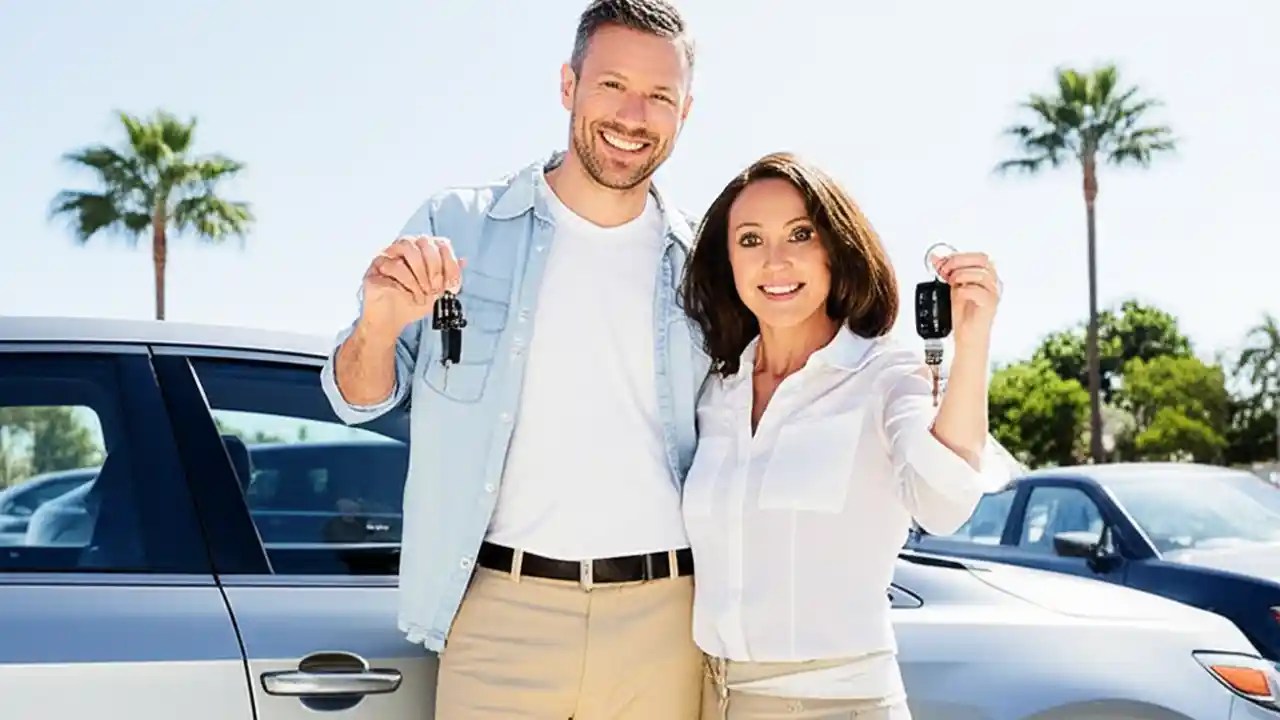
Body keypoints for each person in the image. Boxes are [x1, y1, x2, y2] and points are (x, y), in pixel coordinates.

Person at [320, 0, 708, 717]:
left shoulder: (706, 264)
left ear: (685, 111)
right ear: (568, 85)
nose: (633, 115)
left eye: (659, 96)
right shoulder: (456, 225)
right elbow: (358, 398)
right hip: (500, 616)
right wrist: (376, 329)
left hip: (667, 620)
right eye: (612, 85)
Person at [678, 152, 1016, 719]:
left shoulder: (884, 375)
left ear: (835, 248)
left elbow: (945, 501)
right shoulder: (716, 389)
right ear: (728, 261)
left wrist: (974, 341)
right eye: (751, 240)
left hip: (838, 704)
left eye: (800, 234)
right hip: (711, 699)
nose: (776, 262)